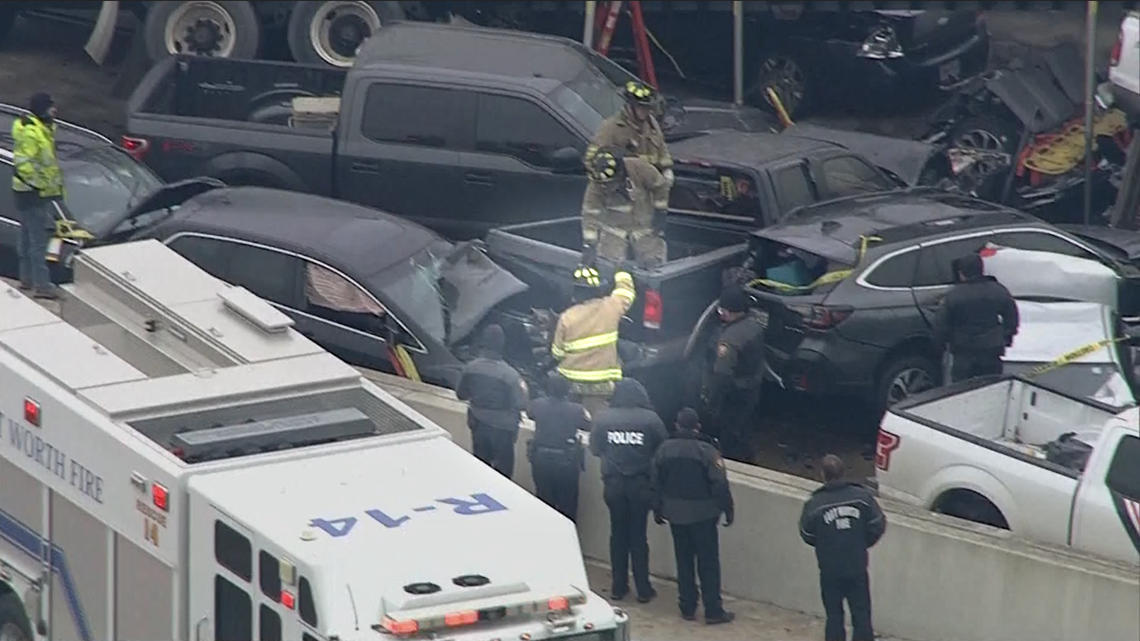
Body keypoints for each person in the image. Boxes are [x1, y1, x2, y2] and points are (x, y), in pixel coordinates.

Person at [652, 408, 735, 625]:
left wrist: (658, 509)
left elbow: (655, 483)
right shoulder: (707, 450)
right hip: (704, 515)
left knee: (684, 561)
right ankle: (713, 610)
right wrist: (728, 508)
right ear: (698, 426)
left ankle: (687, 607)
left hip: (676, 515)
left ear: (677, 425)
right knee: (708, 563)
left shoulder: (664, 450)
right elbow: (719, 483)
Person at [589, 378, 669, 604]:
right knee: (638, 537)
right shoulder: (650, 419)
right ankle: (643, 589)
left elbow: (595, 449)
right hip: (641, 486)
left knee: (617, 536)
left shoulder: (603, 417)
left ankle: (618, 586)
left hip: (613, 485)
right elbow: (662, 449)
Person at [798, 454, 886, 641]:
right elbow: (878, 524)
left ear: (823, 475)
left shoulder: (815, 504)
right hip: (857, 568)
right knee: (861, 615)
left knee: (834, 616)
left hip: (830, 570)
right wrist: (861, 543)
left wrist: (826, 544)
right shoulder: (862, 498)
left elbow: (807, 534)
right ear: (843, 472)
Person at [550, 265, 636, 416]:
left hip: (571, 382)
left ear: (575, 294)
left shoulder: (567, 317)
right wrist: (622, 273)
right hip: (601, 384)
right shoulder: (611, 306)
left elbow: (557, 353)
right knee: (598, 422)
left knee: (570, 419)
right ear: (597, 290)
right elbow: (626, 293)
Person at [931, 252, 1020, 383]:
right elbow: (1012, 316)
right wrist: (1006, 336)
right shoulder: (998, 290)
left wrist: (940, 345)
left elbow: (940, 325)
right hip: (991, 350)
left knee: (961, 389)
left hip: (963, 351)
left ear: (962, 273)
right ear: (981, 270)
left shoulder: (954, 295)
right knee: (991, 385)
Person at [700, 285, 766, 461]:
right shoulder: (754, 325)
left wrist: (711, 402)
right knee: (743, 431)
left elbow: (722, 376)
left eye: (723, 310)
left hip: (733, 395)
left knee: (729, 437)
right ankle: (749, 461)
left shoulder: (729, 340)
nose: (720, 313)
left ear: (733, 312)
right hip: (752, 389)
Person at [456, 324, 529, 478]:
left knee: (480, 472)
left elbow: (461, 394)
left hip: (478, 426)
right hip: (503, 430)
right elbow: (521, 404)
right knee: (503, 476)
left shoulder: (471, 368)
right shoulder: (510, 375)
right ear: (502, 345)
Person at [581, 146, 671, 269]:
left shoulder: (639, 168)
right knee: (609, 267)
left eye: (611, 182)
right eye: (604, 184)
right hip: (614, 230)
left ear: (621, 173)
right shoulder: (597, 184)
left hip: (645, 227)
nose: (607, 186)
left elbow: (660, 186)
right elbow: (590, 213)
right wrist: (589, 244)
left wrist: (661, 211)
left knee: (654, 265)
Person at [11, 92, 63, 300]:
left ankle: (27, 280)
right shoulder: (32, 133)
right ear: (42, 109)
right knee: (38, 242)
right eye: (51, 107)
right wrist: (39, 185)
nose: (55, 110)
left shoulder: (39, 129)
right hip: (34, 195)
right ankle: (43, 286)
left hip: (28, 194)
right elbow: (24, 164)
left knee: (26, 238)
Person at [527, 372, 590, 522]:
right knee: (567, 506)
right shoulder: (576, 409)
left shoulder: (537, 404)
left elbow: (529, 414)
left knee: (543, 502)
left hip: (541, 460)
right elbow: (588, 425)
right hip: (566, 462)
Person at [585, 80, 674, 184]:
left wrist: (667, 169)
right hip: (623, 187)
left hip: (649, 186)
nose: (645, 112)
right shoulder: (611, 127)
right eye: (640, 107)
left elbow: (661, 148)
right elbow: (592, 159)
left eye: (647, 108)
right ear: (630, 106)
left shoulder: (651, 124)